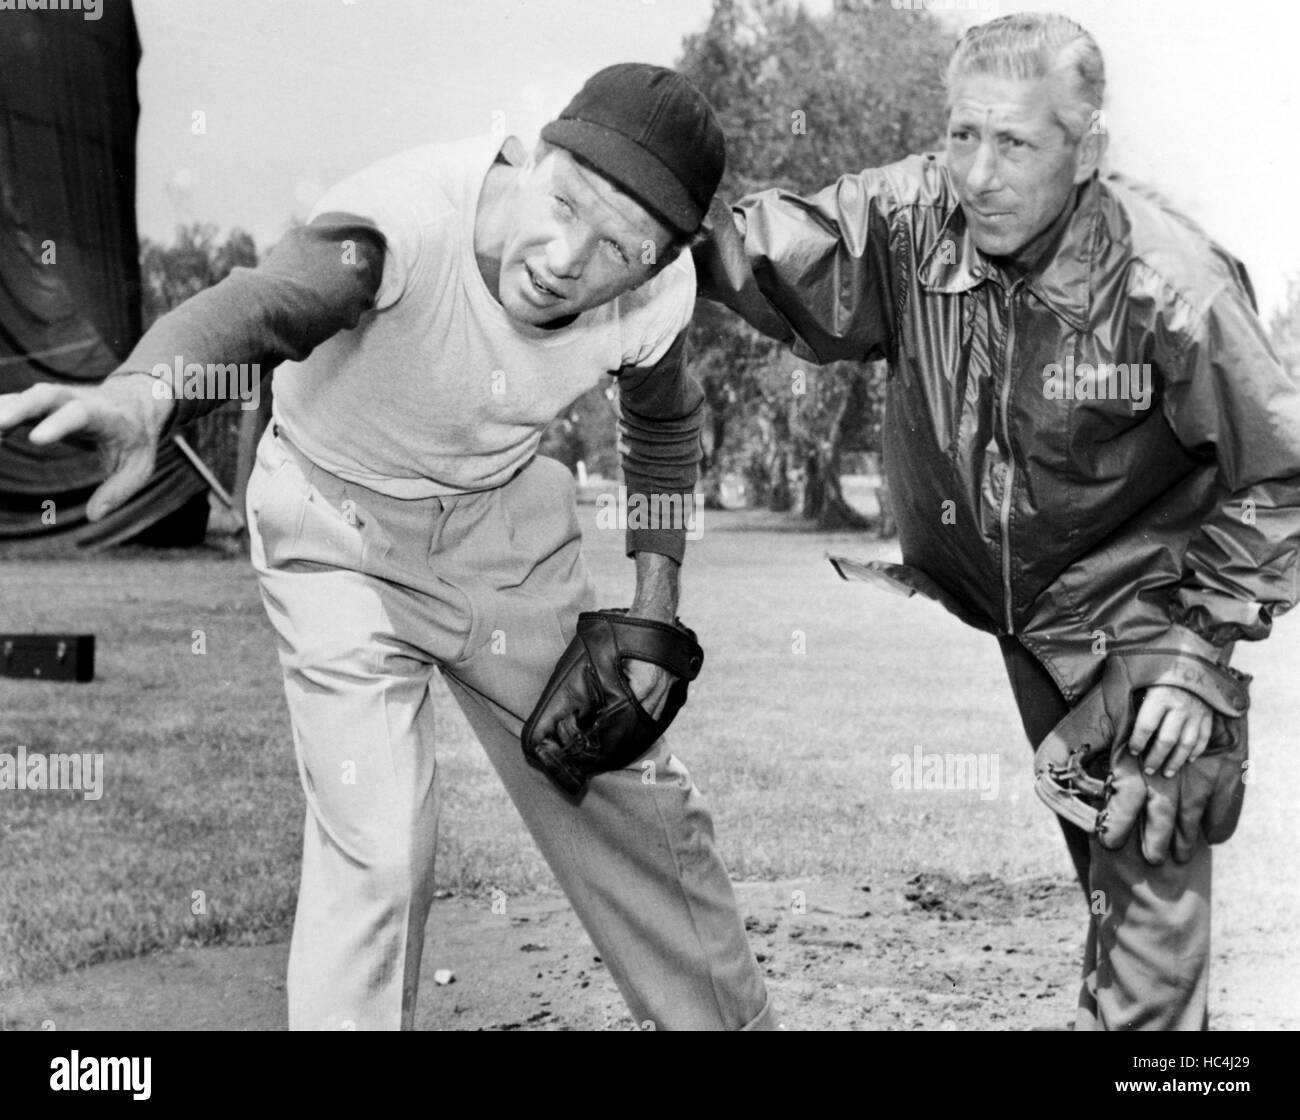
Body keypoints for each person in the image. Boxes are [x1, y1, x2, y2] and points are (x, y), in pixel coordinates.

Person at [0, 63, 778, 1031]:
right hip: (337, 533)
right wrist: (141, 393)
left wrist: (653, 613)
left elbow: (660, 432)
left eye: (620, 244)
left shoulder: (656, 300)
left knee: (635, 790)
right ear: (535, 154)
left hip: (500, 527)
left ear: (662, 260)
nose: (567, 256)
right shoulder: (399, 225)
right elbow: (263, 306)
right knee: (377, 847)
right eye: (566, 201)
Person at [694, 11, 1300, 1030]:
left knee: (1148, 854)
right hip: (1020, 606)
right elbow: (754, 252)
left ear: (1088, 150)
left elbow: (1280, 471)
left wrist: (1198, 653)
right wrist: (638, 206)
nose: (977, 173)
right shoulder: (909, 218)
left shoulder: (1168, 284)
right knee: (1099, 845)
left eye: (1015, 141)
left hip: (1147, 606)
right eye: (961, 136)